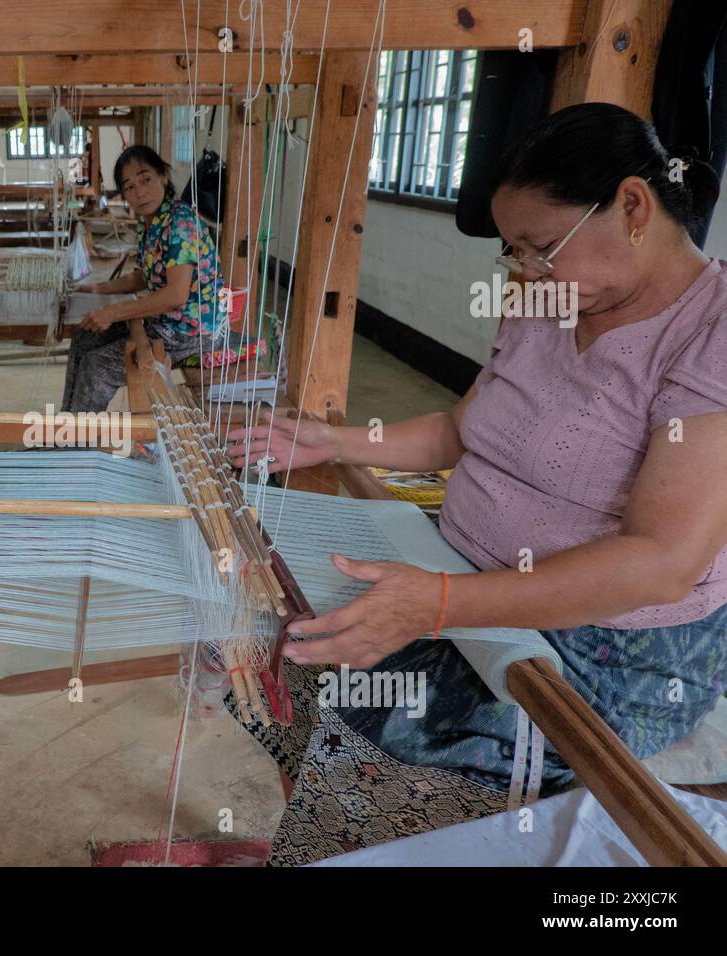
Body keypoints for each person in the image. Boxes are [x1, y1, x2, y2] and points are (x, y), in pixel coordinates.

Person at [226, 102, 727, 860]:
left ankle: (352, 842)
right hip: (457, 568)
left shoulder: (709, 335)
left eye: (541, 247)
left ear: (632, 207)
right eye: (514, 253)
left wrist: (438, 604)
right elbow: (462, 431)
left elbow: (662, 563)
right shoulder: (547, 300)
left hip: (609, 650)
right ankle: (321, 818)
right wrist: (335, 439)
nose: (526, 271)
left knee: (380, 717)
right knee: (275, 625)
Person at [61, 145, 225, 412]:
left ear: (163, 177)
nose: (139, 192)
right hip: (168, 321)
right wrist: (96, 289)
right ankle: (67, 422)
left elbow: (175, 296)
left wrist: (114, 312)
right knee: (85, 336)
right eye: (129, 187)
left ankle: (81, 434)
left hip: (193, 330)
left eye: (145, 179)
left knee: (97, 366)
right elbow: (144, 278)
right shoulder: (149, 222)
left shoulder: (180, 222)